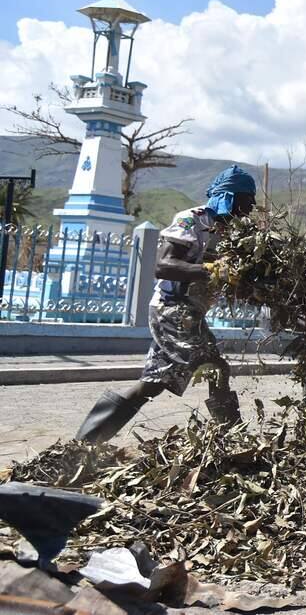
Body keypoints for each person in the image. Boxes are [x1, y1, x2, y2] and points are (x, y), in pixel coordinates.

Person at [74, 166, 258, 443]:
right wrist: (211, 270)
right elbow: (164, 265)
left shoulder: (232, 234)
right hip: (172, 309)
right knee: (216, 368)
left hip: (191, 313)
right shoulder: (191, 221)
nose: (251, 207)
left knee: (153, 384)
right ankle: (236, 443)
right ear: (229, 197)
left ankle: (86, 442)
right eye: (246, 200)